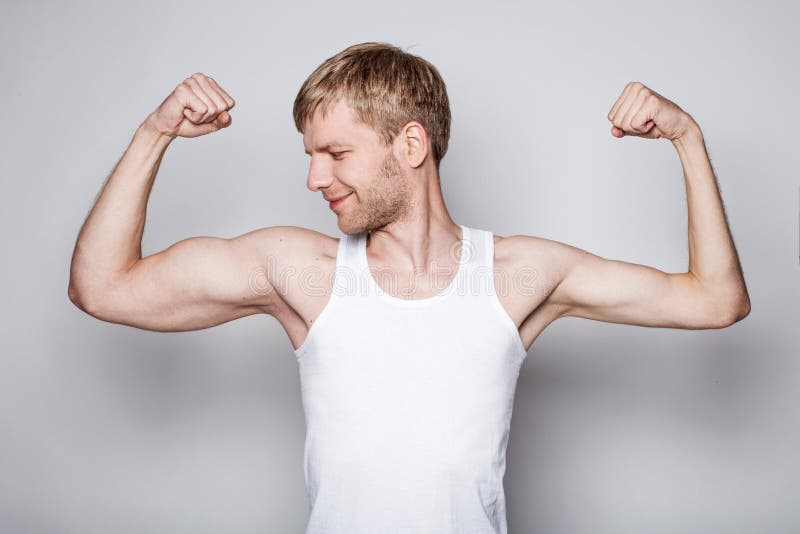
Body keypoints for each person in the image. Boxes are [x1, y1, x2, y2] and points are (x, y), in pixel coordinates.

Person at [68, 42, 750, 534]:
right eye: (310, 156)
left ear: (411, 146)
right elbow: (103, 288)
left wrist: (686, 139)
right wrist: (154, 134)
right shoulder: (304, 275)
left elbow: (716, 301)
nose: (315, 178)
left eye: (336, 153)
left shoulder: (518, 276)